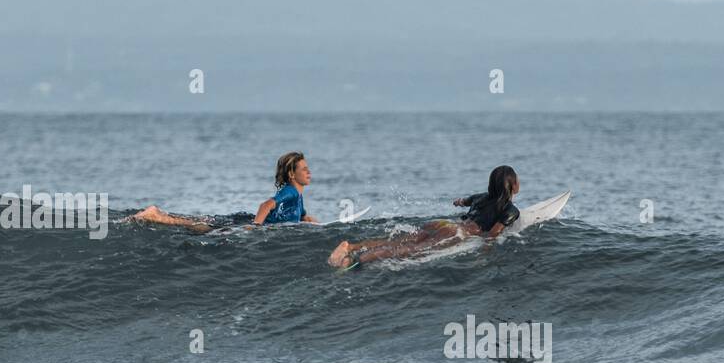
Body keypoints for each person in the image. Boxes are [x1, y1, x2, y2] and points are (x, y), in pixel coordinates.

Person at [328, 165, 520, 269]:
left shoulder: (480, 197)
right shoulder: (510, 210)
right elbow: (493, 235)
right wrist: (484, 256)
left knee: (395, 241)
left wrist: (459, 202)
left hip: (442, 224)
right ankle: (355, 261)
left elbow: (461, 201)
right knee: (411, 250)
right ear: (512, 186)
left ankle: (350, 247)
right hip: (456, 232)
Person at [128, 152, 318, 232]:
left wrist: (316, 225)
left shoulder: (297, 196)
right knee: (203, 228)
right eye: (304, 169)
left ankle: (159, 214)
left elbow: (302, 216)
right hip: (251, 223)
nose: (309, 172)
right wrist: (255, 227)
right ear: (292, 174)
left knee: (204, 225)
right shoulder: (291, 192)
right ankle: (155, 216)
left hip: (247, 219)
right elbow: (266, 205)